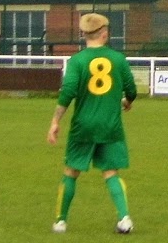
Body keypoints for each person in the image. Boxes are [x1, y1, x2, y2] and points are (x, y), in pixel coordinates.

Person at [47, 13, 137, 235]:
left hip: (83, 126)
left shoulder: (77, 61)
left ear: (84, 35)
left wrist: (55, 121)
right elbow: (132, 89)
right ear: (104, 34)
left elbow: (67, 92)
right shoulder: (118, 59)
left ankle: (60, 222)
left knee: (70, 172)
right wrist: (127, 101)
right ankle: (124, 219)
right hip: (110, 126)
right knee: (110, 173)